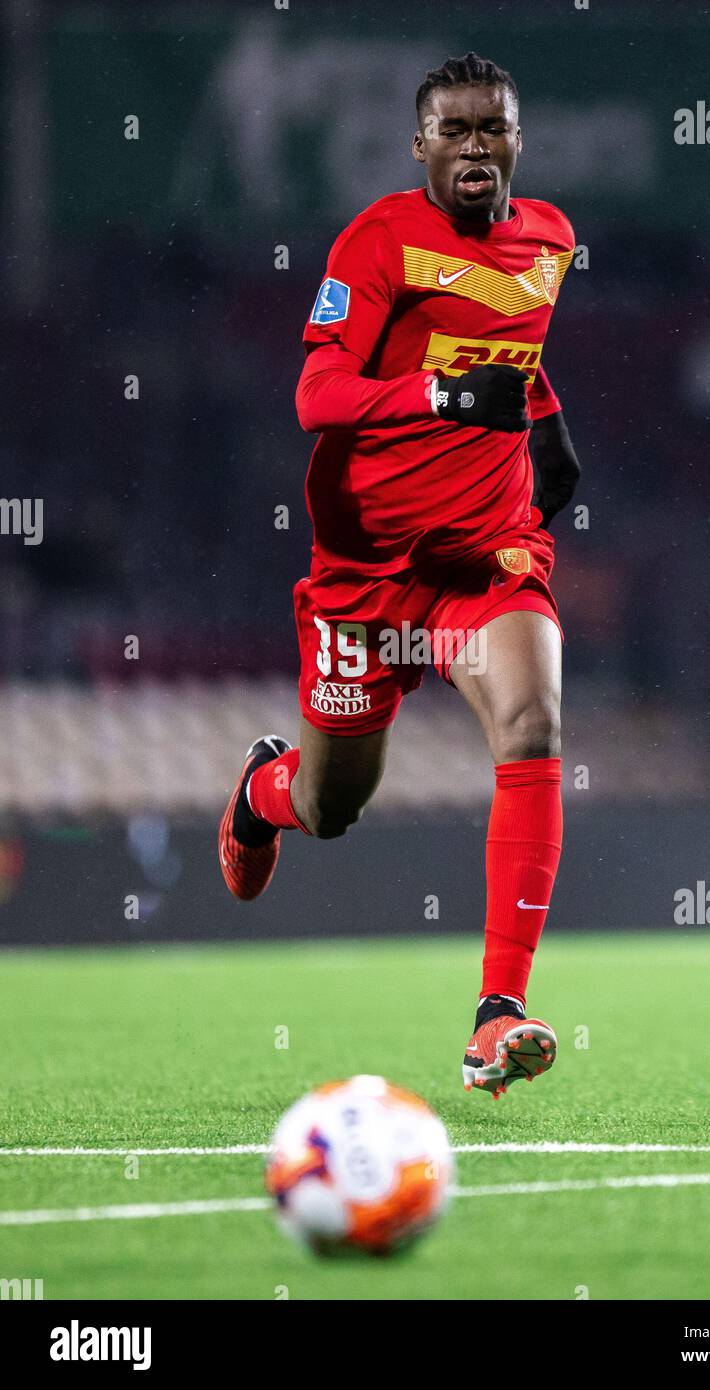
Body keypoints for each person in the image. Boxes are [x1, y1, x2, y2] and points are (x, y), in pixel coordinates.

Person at [219, 52, 580, 1098]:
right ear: (418, 146)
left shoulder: (550, 239)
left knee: (533, 721)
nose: (475, 147)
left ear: (517, 138)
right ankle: (262, 791)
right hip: (364, 569)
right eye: (454, 131)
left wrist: (545, 425)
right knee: (334, 803)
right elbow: (317, 393)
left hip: (483, 552)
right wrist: (443, 399)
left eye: (493, 129)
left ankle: (494, 1011)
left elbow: (507, 337)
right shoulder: (375, 241)